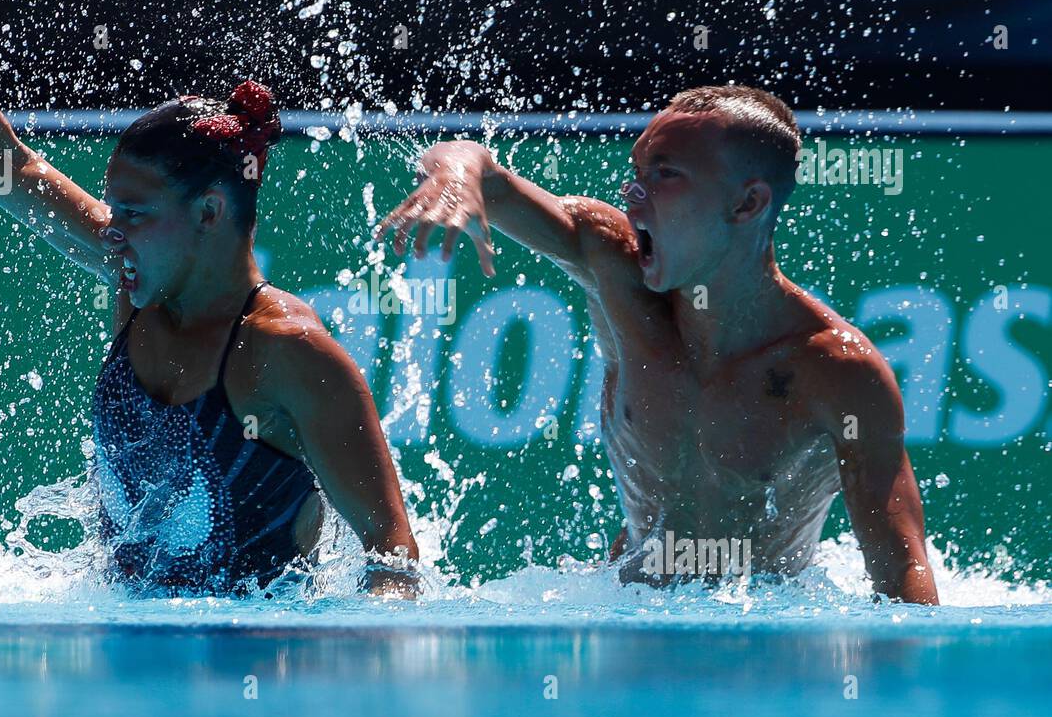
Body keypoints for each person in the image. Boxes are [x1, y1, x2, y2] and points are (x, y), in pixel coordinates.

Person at [0, 0, 419, 596]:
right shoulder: (135, 276)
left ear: (210, 212)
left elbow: (393, 559)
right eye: (113, 208)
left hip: (257, 662)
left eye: (135, 213)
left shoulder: (289, 352)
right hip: (124, 650)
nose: (113, 229)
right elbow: (6, 167)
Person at [376, 85, 938, 603]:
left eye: (665, 174)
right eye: (637, 170)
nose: (633, 192)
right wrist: (455, 178)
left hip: (764, 630)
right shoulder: (611, 263)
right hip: (628, 610)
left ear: (747, 205)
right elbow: (475, 166)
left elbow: (901, 573)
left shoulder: (838, 371)